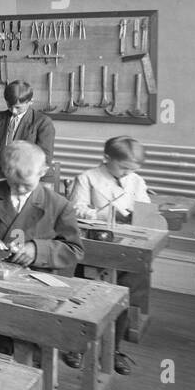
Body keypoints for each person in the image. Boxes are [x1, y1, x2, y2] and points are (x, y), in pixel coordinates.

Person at [70, 137, 149, 372]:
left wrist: (136, 213)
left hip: (125, 247)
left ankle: (113, 348)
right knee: (86, 296)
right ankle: (77, 346)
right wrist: (103, 215)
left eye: (132, 170)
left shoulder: (135, 181)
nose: (126, 173)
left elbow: (144, 207)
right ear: (107, 159)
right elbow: (76, 209)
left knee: (123, 295)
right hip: (94, 247)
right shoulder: (88, 178)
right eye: (123, 167)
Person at [0, 141, 82, 275]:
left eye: (27, 185)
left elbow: (74, 250)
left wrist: (38, 251)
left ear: (42, 172)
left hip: (36, 278)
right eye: (14, 183)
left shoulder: (60, 206)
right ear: (5, 171)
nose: (21, 189)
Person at [0, 81, 55, 179]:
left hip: (27, 177)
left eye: (18, 107)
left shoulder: (43, 122)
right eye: (9, 106)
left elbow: (45, 158)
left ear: (30, 102)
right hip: (0, 174)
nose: (13, 111)